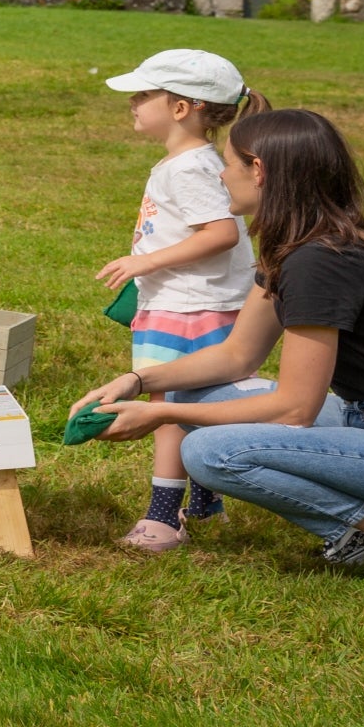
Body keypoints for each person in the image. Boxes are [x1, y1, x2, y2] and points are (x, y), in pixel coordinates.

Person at [72, 108, 364, 592]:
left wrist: (152, 418)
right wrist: (138, 382)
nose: (220, 173)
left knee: (212, 452)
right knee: (186, 399)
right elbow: (237, 356)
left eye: (230, 163)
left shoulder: (319, 262)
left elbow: (296, 409)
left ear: (259, 171)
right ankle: (362, 534)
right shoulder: (297, 246)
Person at [93, 49, 270, 551]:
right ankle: (206, 501)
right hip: (187, 302)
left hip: (190, 307)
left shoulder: (188, 167)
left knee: (168, 406)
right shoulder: (188, 163)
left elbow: (220, 234)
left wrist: (145, 263)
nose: (132, 102)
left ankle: (163, 517)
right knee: (193, 403)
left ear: (181, 108)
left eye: (144, 94)